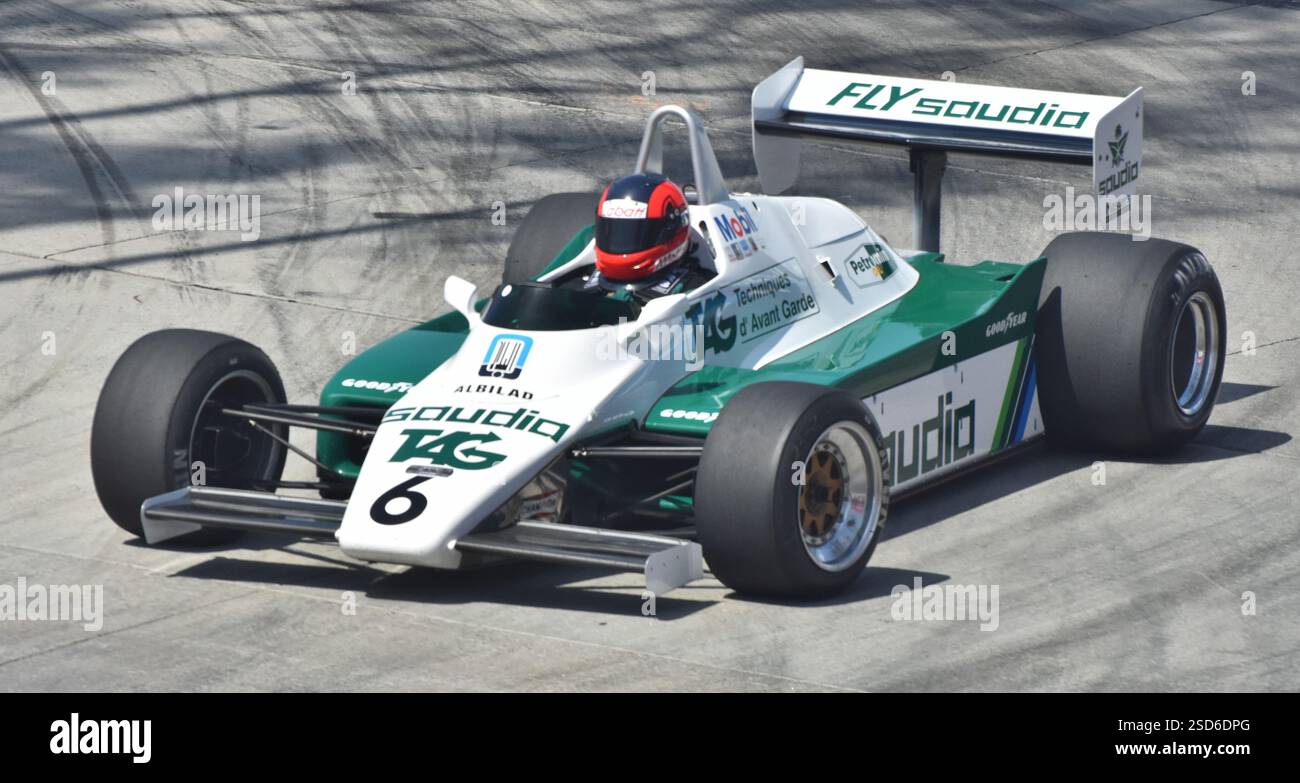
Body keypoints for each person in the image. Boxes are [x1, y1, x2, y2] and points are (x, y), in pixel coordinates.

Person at [561, 172, 713, 304]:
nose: (620, 242)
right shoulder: (581, 280)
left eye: (632, 234)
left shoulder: (694, 292)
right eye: (615, 231)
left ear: (670, 233)